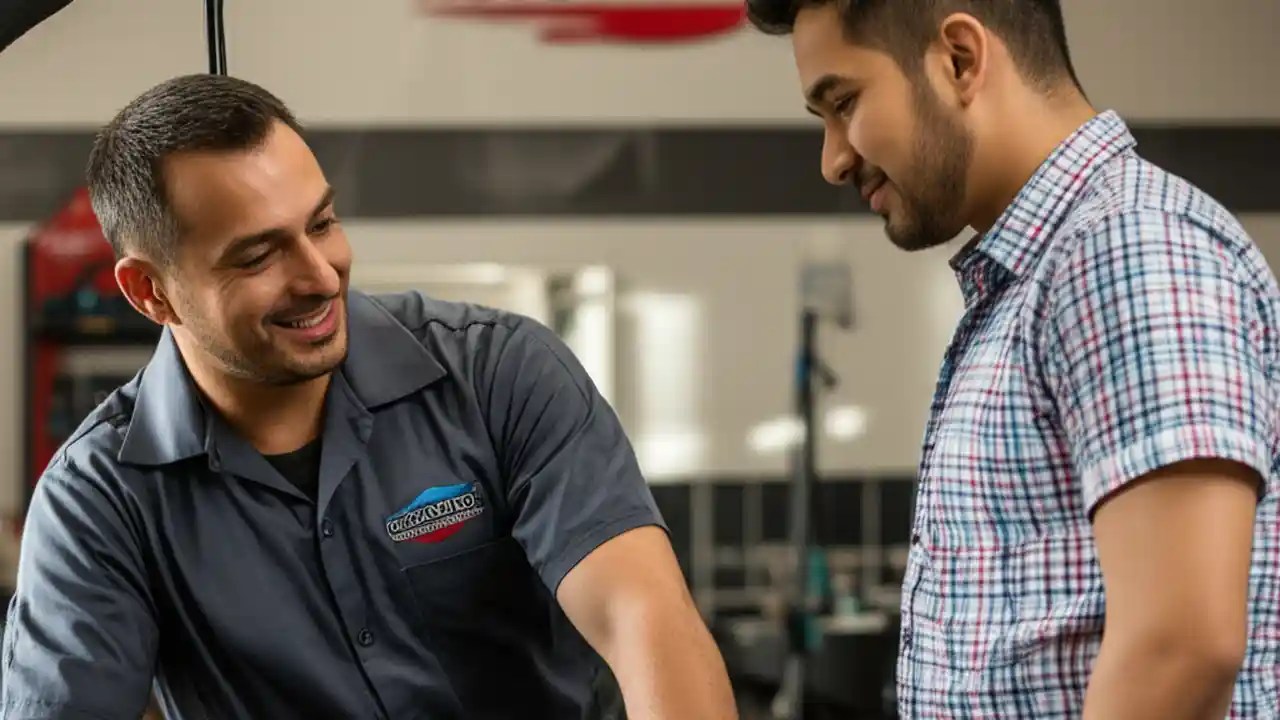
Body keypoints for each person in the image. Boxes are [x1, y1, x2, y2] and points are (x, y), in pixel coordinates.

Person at [2, 73, 739, 720]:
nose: (320, 274)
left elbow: (642, 616)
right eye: (258, 254)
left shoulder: (499, 374)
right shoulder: (99, 501)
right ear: (150, 290)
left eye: (322, 223)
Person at [744, 1, 1278, 719]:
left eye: (844, 102)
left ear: (960, 58)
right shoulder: (1034, 278)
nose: (834, 158)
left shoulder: (1128, 247)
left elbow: (1180, 646)